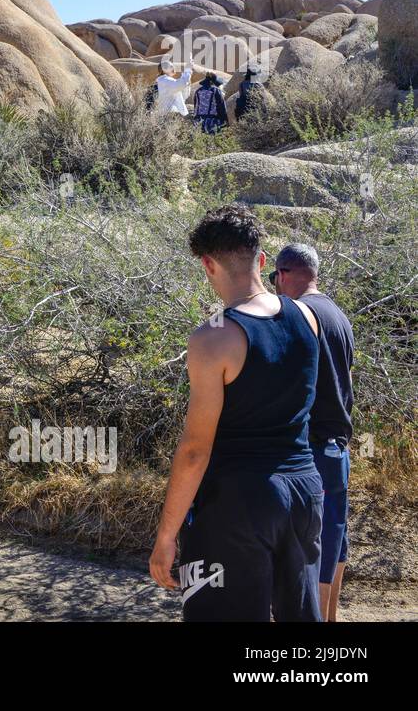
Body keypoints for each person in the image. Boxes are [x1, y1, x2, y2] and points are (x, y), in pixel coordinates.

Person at [150, 204, 324, 621]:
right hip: (305, 489)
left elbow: (195, 451)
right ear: (262, 260)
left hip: (238, 502)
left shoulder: (212, 338)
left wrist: (166, 535)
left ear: (208, 265)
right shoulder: (307, 315)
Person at [274, 243, 356, 622]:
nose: (275, 286)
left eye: (275, 278)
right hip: (338, 448)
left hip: (312, 451)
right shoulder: (338, 315)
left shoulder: (301, 314)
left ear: (286, 273)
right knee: (335, 541)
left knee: (310, 551)